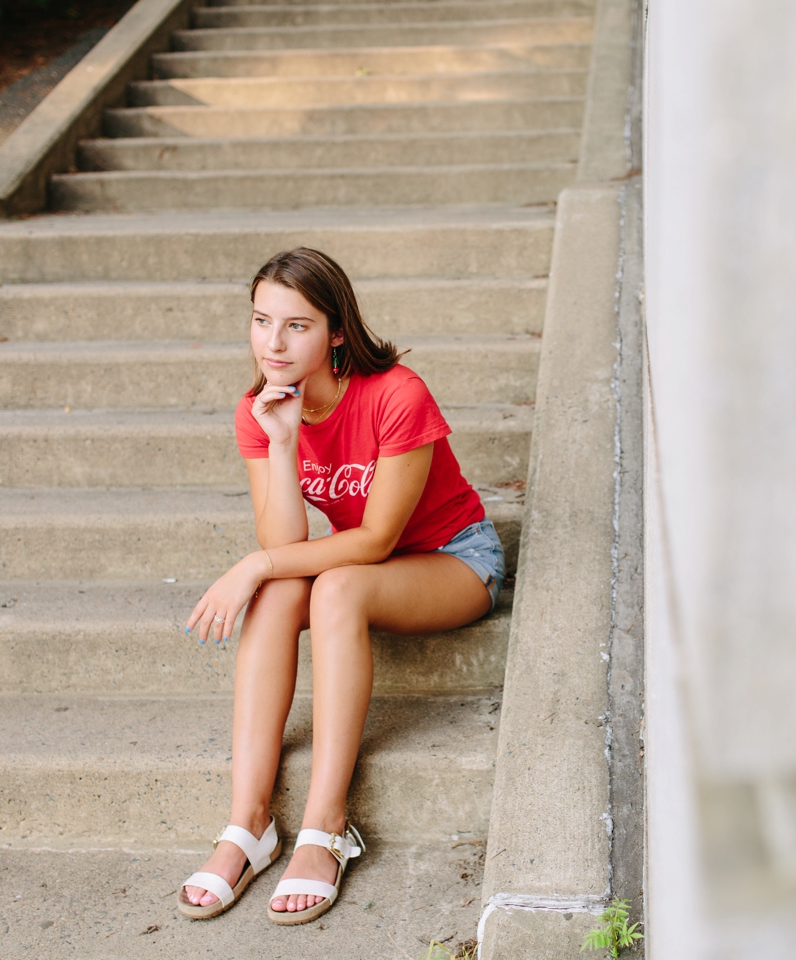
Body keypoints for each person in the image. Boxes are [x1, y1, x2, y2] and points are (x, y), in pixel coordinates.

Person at [176, 247, 505, 925]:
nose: (273, 342)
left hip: (453, 558)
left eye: (296, 325)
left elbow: (376, 540)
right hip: (361, 565)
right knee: (281, 591)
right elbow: (284, 543)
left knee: (331, 589)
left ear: (335, 332)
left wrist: (253, 566)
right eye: (261, 321)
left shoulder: (396, 394)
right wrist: (282, 444)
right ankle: (248, 824)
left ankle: (326, 826)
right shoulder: (258, 411)